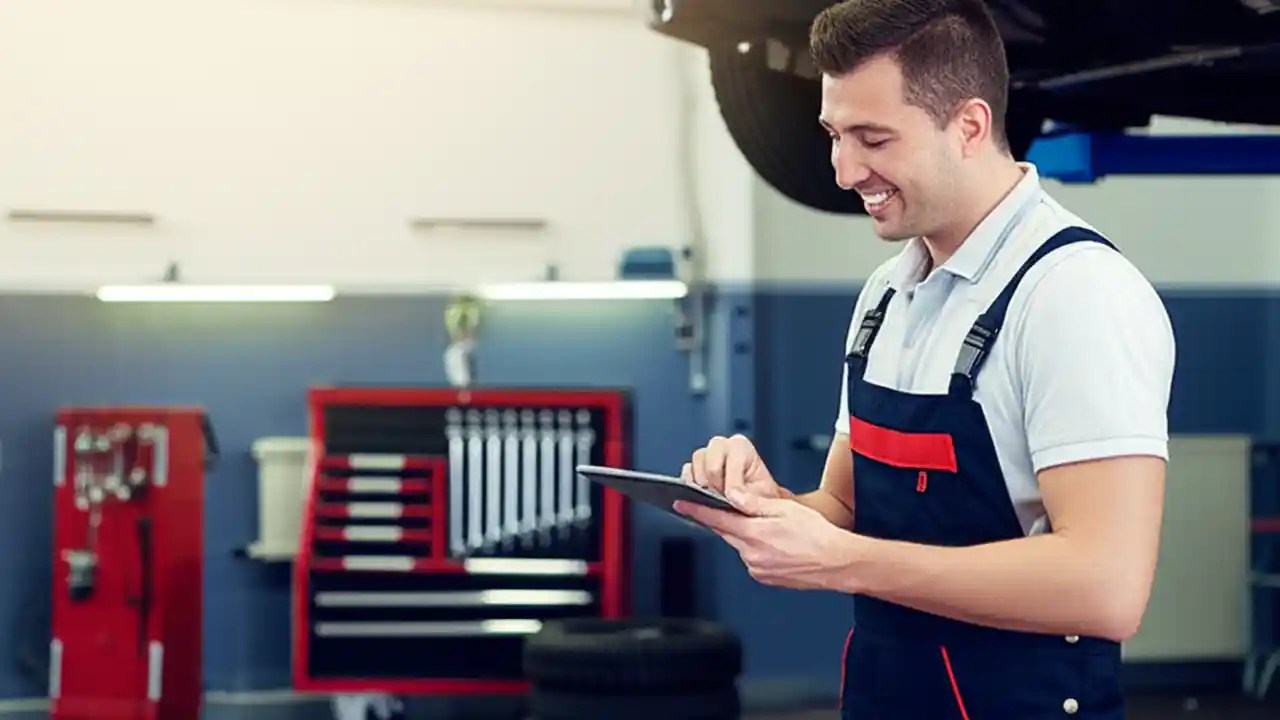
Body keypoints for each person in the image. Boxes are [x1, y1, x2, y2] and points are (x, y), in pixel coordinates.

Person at [672, 0, 1175, 718]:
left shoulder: (1074, 295)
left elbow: (1106, 587)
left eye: (873, 139)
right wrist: (769, 507)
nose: (843, 171)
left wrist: (843, 562)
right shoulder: (887, 294)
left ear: (968, 126)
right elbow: (846, 508)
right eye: (834, 135)